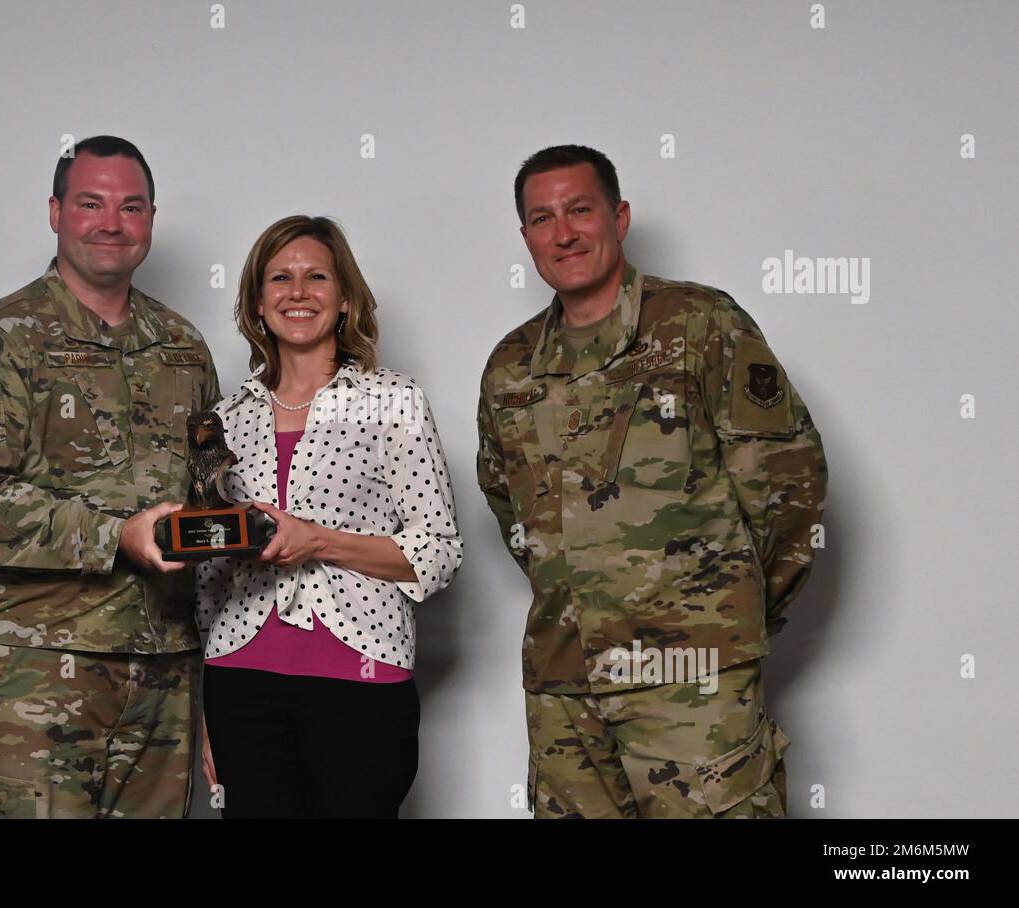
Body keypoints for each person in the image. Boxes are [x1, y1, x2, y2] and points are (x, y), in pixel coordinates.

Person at [477, 145, 827, 818]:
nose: (564, 233)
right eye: (543, 218)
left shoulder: (700, 324)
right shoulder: (510, 366)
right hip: (565, 683)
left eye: (580, 209)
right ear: (526, 237)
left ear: (620, 216)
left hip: (693, 677)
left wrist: (733, 614)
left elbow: (789, 487)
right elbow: (511, 508)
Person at [0, 135, 219, 818]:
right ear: (55, 211)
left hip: (163, 675)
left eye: (132, 206)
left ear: (152, 218)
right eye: (91, 203)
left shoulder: (184, 347)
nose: (112, 223)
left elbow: (207, 492)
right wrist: (116, 535)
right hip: (35, 677)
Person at [196, 215, 462, 818]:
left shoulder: (393, 402)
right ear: (257, 303)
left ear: (344, 299)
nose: (297, 292)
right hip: (240, 677)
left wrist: (317, 541)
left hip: (359, 676)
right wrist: (206, 709)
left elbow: (439, 549)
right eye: (279, 278)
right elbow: (209, 574)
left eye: (317, 276)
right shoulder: (224, 418)